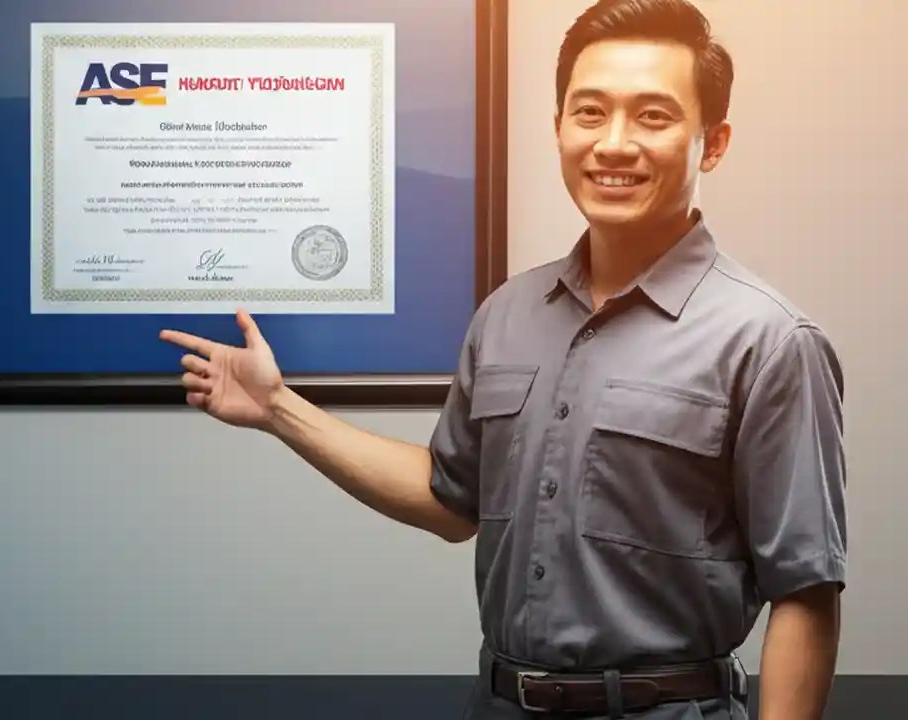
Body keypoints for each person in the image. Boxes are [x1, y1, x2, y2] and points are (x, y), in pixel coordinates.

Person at [160, 0, 846, 717]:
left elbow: (804, 591)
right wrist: (279, 408)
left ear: (712, 142)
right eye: (589, 112)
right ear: (558, 129)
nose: (614, 144)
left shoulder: (770, 340)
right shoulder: (508, 314)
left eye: (652, 116)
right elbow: (451, 501)